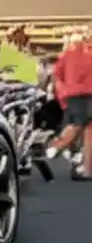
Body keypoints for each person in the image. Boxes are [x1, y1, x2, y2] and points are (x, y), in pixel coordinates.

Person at [44, 28, 92, 181]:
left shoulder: (66, 56)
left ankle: (87, 166)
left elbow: (57, 77)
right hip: (85, 93)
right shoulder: (88, 54)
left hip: (72, 95)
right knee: (82, 126)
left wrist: (61, 96)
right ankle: (56, 147)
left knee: (84, 127)